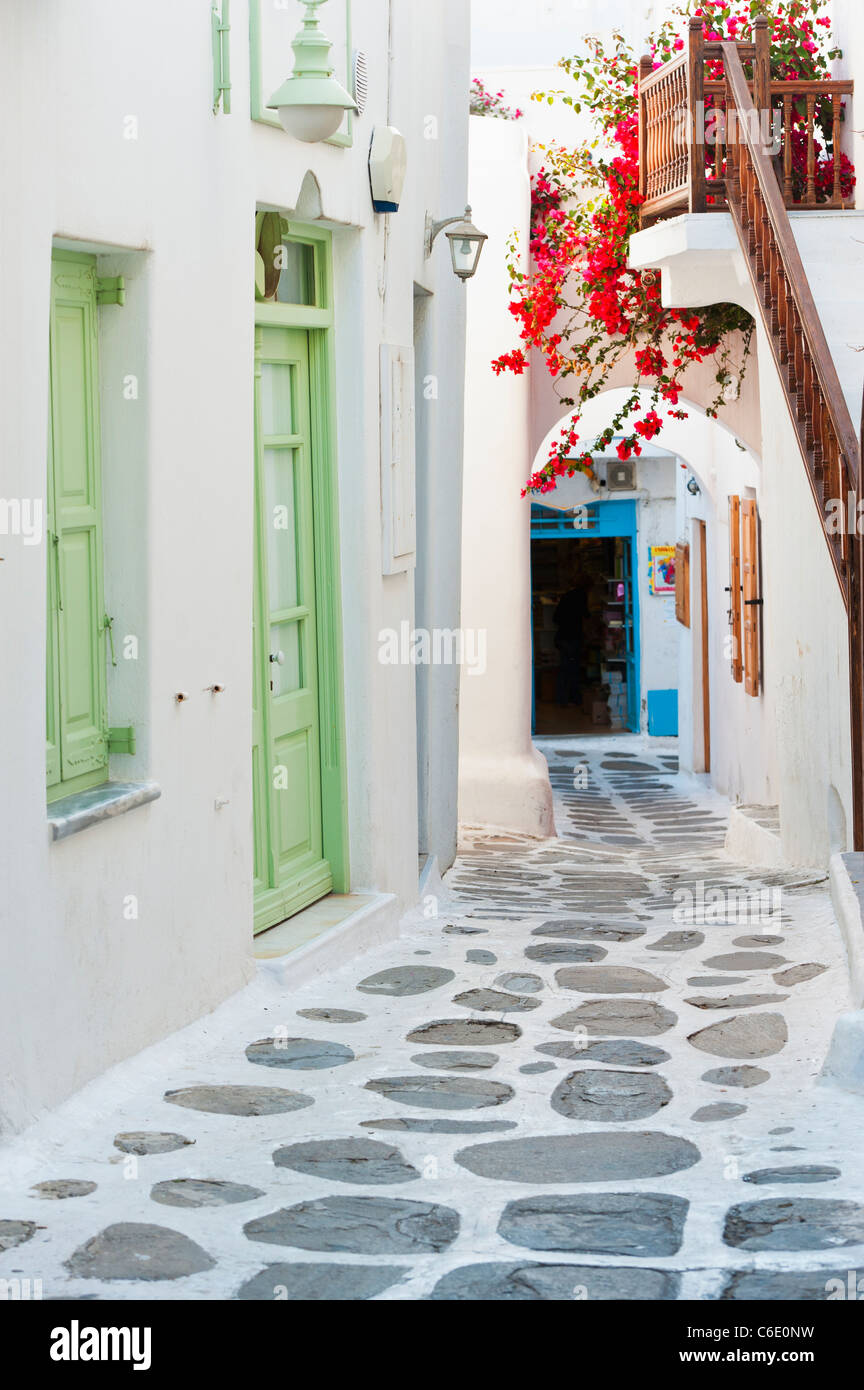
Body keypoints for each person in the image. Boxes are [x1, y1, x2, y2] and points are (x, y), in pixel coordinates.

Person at [554, 572, 589, 707]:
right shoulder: (581, 596)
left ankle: (562, 700)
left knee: (564, 668)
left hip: (562, 637)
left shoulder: (566, 596)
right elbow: (586, 614)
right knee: (573, 669)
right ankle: (574, 699)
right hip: (572, 637)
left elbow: (555, 618)